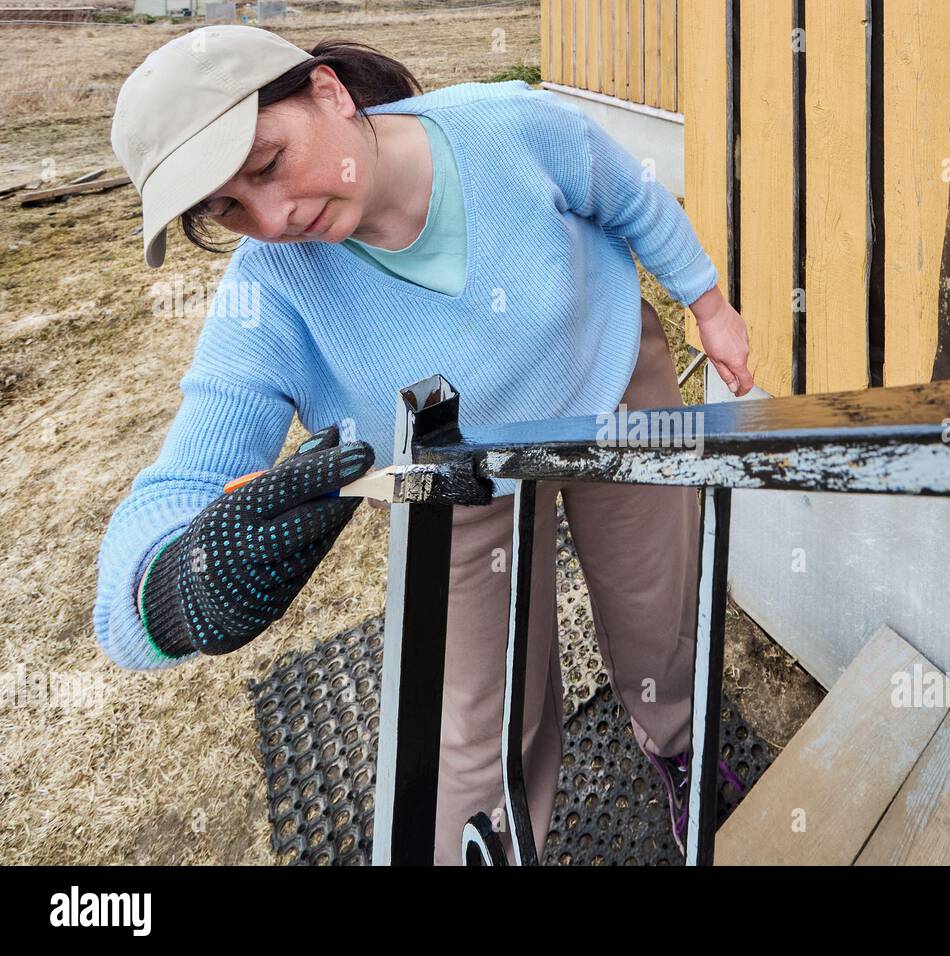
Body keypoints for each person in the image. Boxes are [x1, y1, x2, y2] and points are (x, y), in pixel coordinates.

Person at [95, 25, 754, 863]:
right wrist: (172, 588)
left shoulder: (512, 126)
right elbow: (175, 491)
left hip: (610, 391)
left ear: (329, 92)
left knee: (655, 605)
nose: (274, 218)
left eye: (266, 164)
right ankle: (491, 842)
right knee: (478, 715)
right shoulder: (270, 292)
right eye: (228, 209)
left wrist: (709, 305)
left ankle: (679, 746)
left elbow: (629, 197)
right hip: (458, 481)